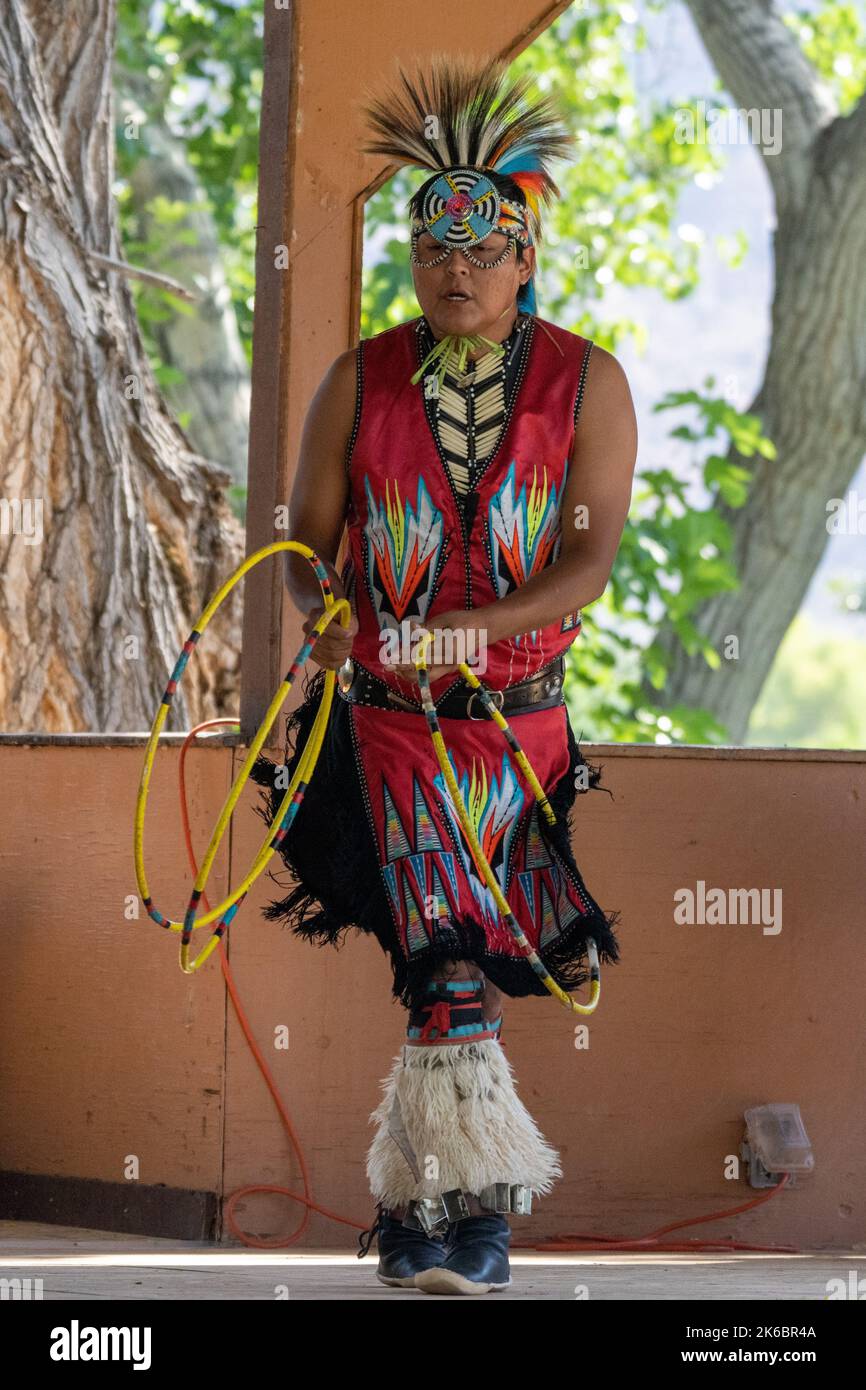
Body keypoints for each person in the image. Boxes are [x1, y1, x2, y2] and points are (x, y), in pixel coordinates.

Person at [251, 54, 638, 1295]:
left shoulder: (588, 383)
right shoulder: (360, 377)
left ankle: (417, 1208)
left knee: (460, 961)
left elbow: (585, 568)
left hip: (517, 732)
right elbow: (301, 551)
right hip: (389, 729)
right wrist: (323, 614)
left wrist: (474, 633)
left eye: (480, 249)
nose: (452, 271)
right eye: (431, 251)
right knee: (444, 966)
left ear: (525, 253)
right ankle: (476, 1222)